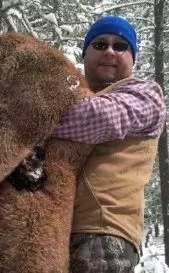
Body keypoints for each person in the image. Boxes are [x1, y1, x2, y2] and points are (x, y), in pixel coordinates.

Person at [52, 15, 166, 272]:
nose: (110, 52)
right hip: (51, 229)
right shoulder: (70, 96)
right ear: (85, 54)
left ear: (133, 57)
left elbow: (95, 118)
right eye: (100, 44)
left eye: (121, 46)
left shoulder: (146, 95)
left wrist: (19, 115)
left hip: (102, 233)